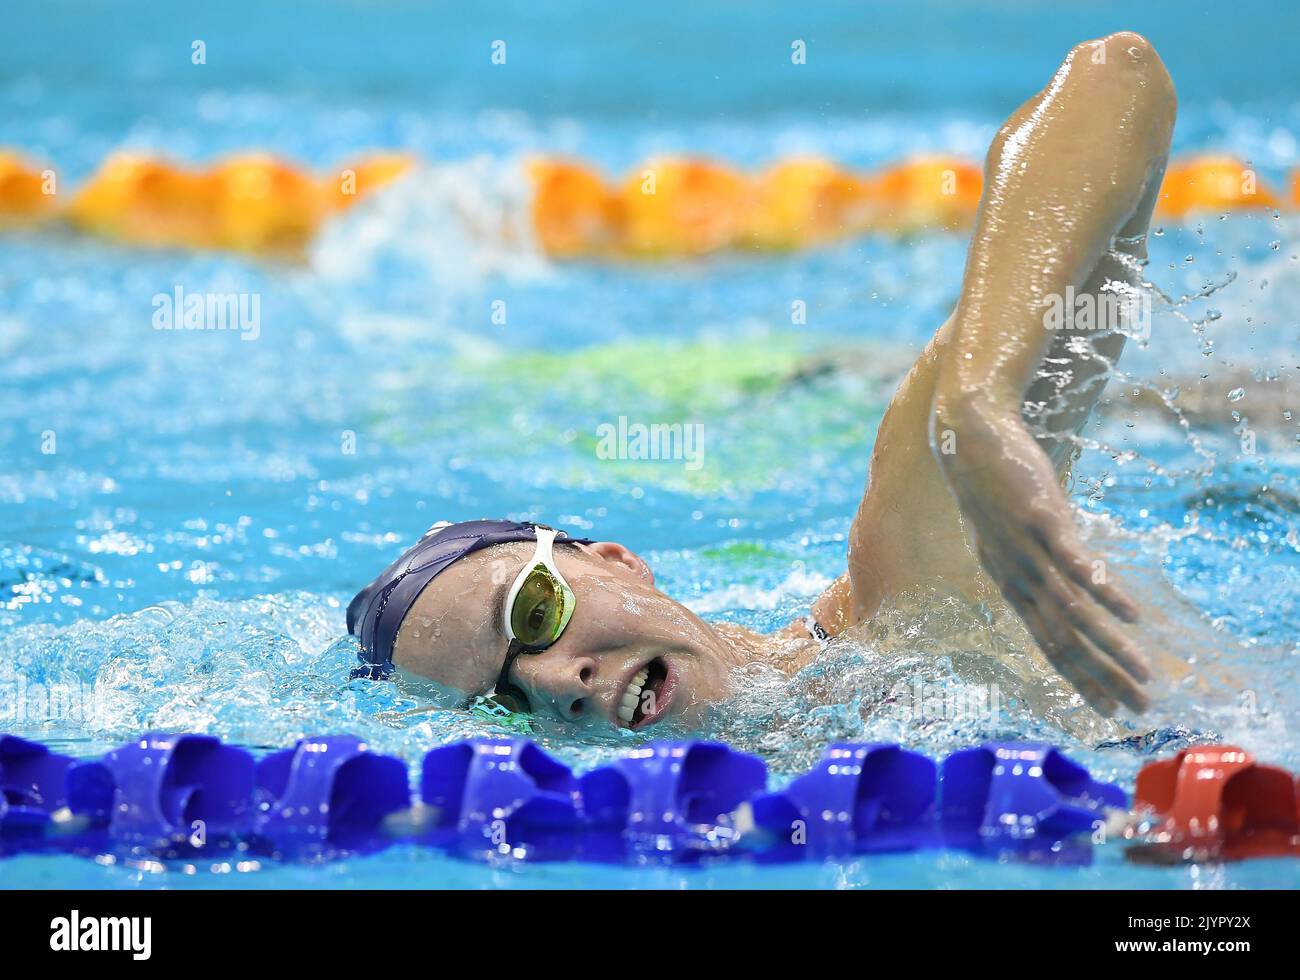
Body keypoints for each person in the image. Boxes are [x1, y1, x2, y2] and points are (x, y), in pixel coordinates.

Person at [347, 32, 1176, 730]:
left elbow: (1117, 81)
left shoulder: (911, 607)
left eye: (535, 617)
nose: (559, 684)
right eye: (504, 704)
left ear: (619, 561)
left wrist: (979, 400)